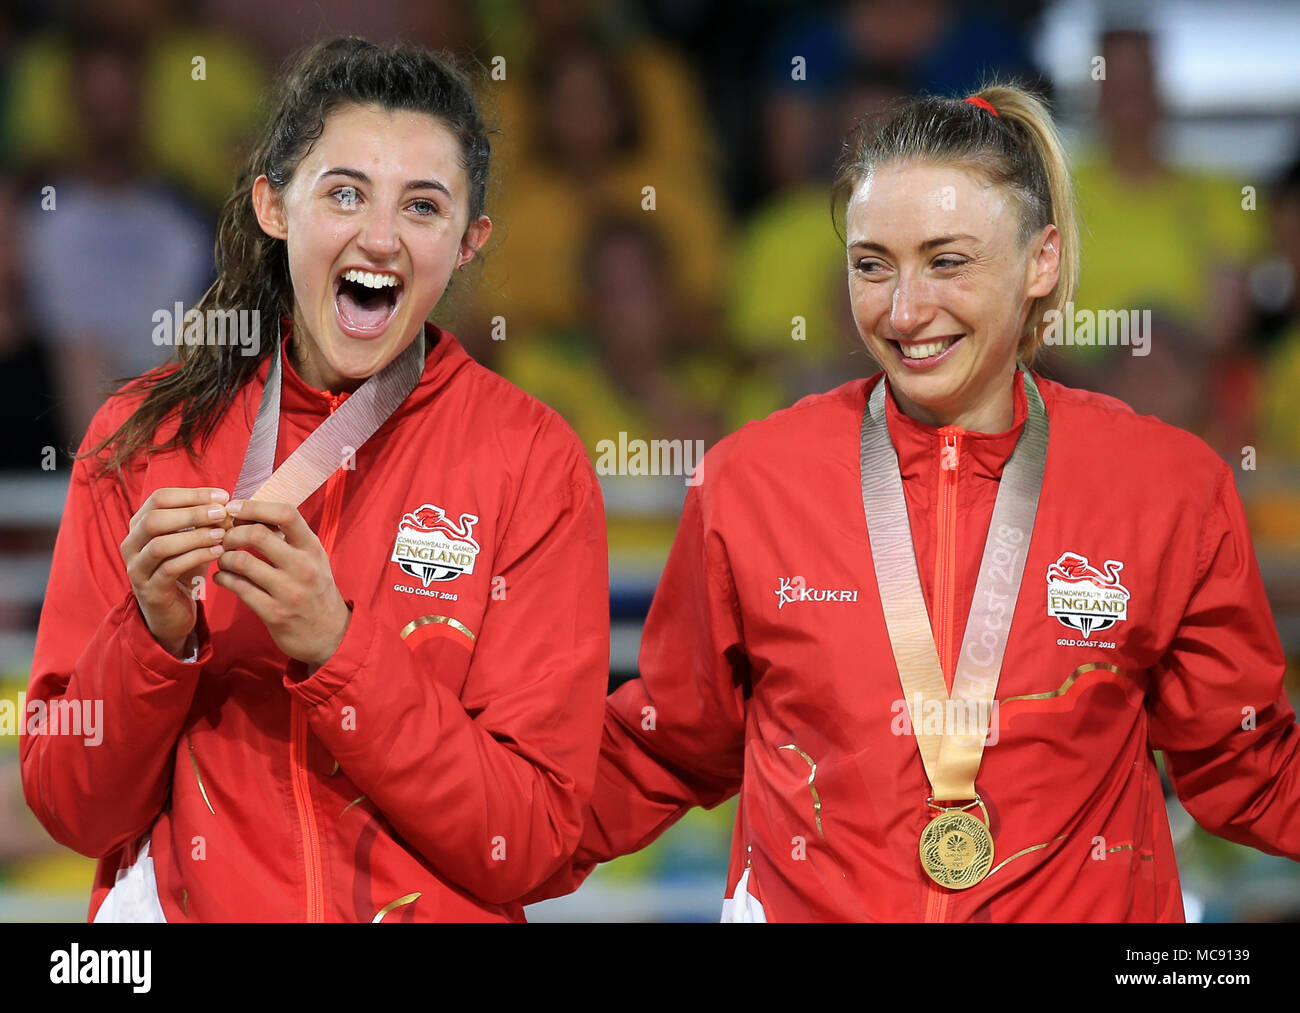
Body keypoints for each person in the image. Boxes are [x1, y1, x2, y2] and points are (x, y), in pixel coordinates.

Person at [524, 84, 1300, 922]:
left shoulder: (1165, 484)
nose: (903, 310)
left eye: (947, 260)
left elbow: (1245, 763)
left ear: (1041, 260)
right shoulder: (754, 479)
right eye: (871, 265)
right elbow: (666, 745)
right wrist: (464, 849)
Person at [21, 37, 609, 923]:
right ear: (274, 205)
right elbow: (73, 808)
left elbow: (530, 840)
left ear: (468, 243)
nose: (378, 236)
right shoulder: (144, 438)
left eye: (422, 206)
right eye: (344, 193)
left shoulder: (533, 459)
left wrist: (340, 649)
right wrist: (152, 637)